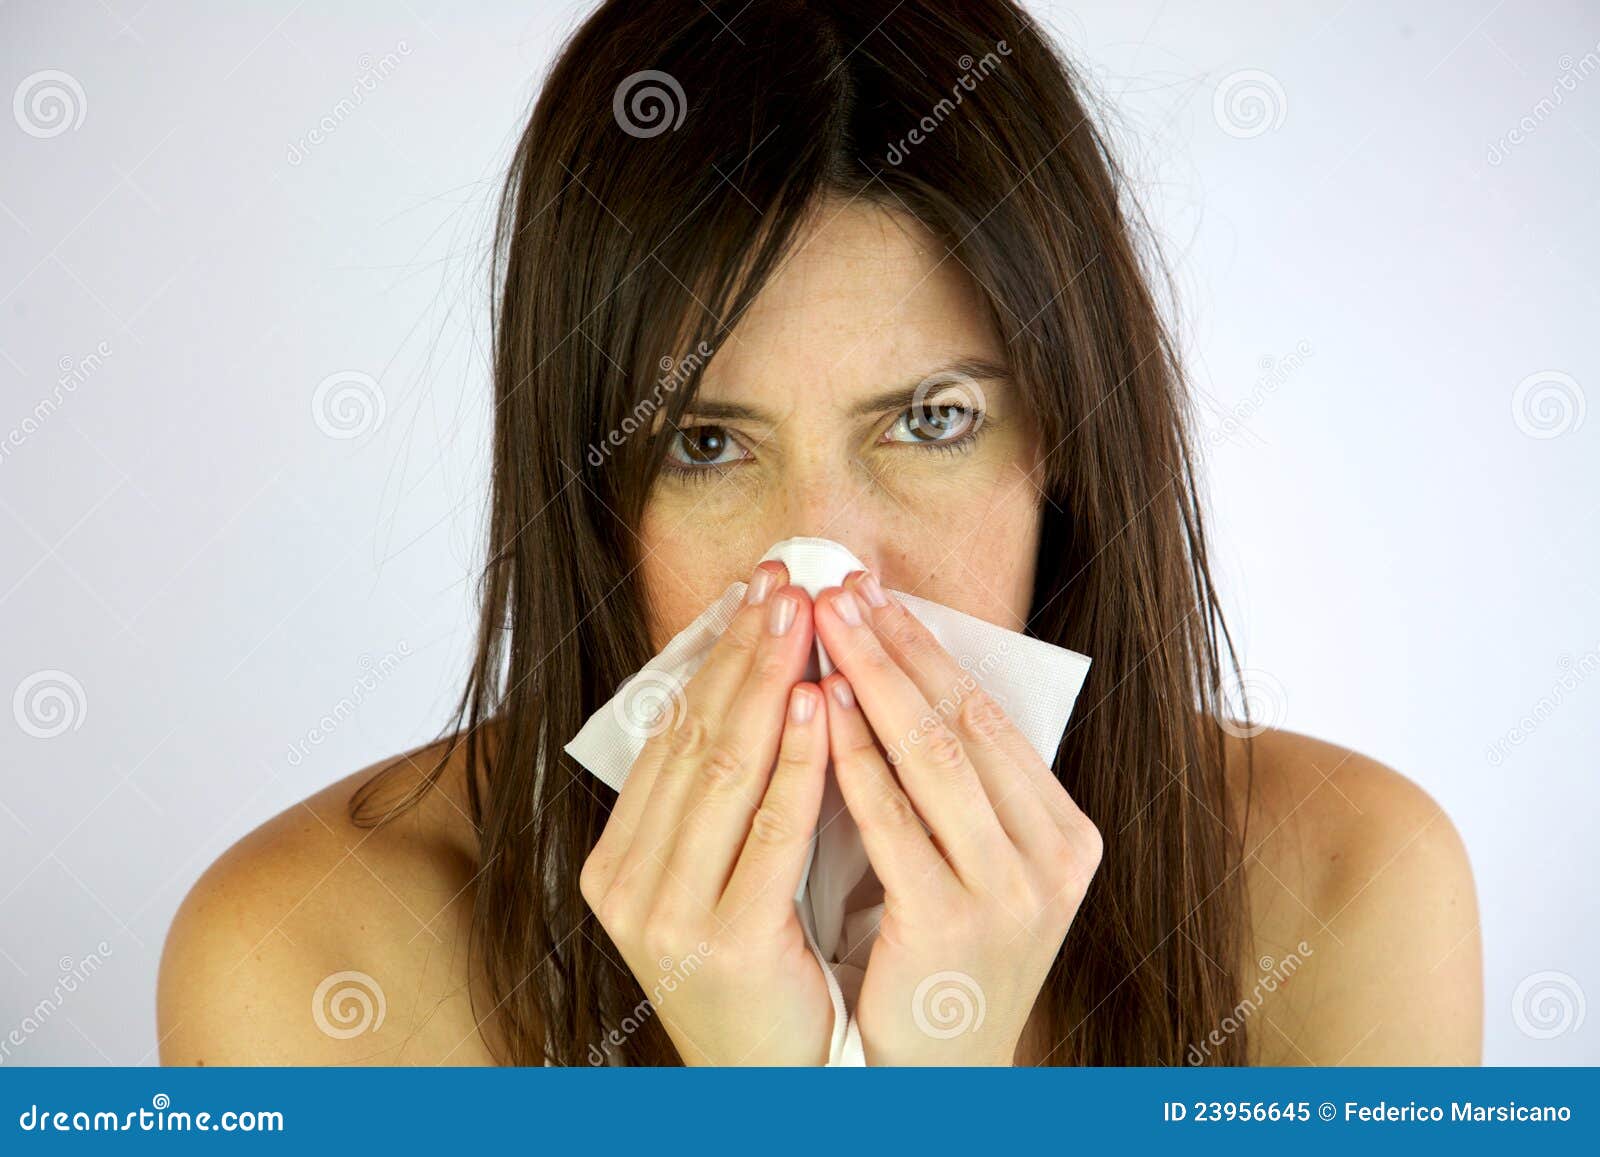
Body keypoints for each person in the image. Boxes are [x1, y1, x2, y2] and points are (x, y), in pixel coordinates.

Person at [157, 0, 1481, 1066]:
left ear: (1068, 437)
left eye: (932, 419)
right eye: (706, 443)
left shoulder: (1345, 890)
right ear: (586, 490)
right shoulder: (313, 953)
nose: (827, 568)